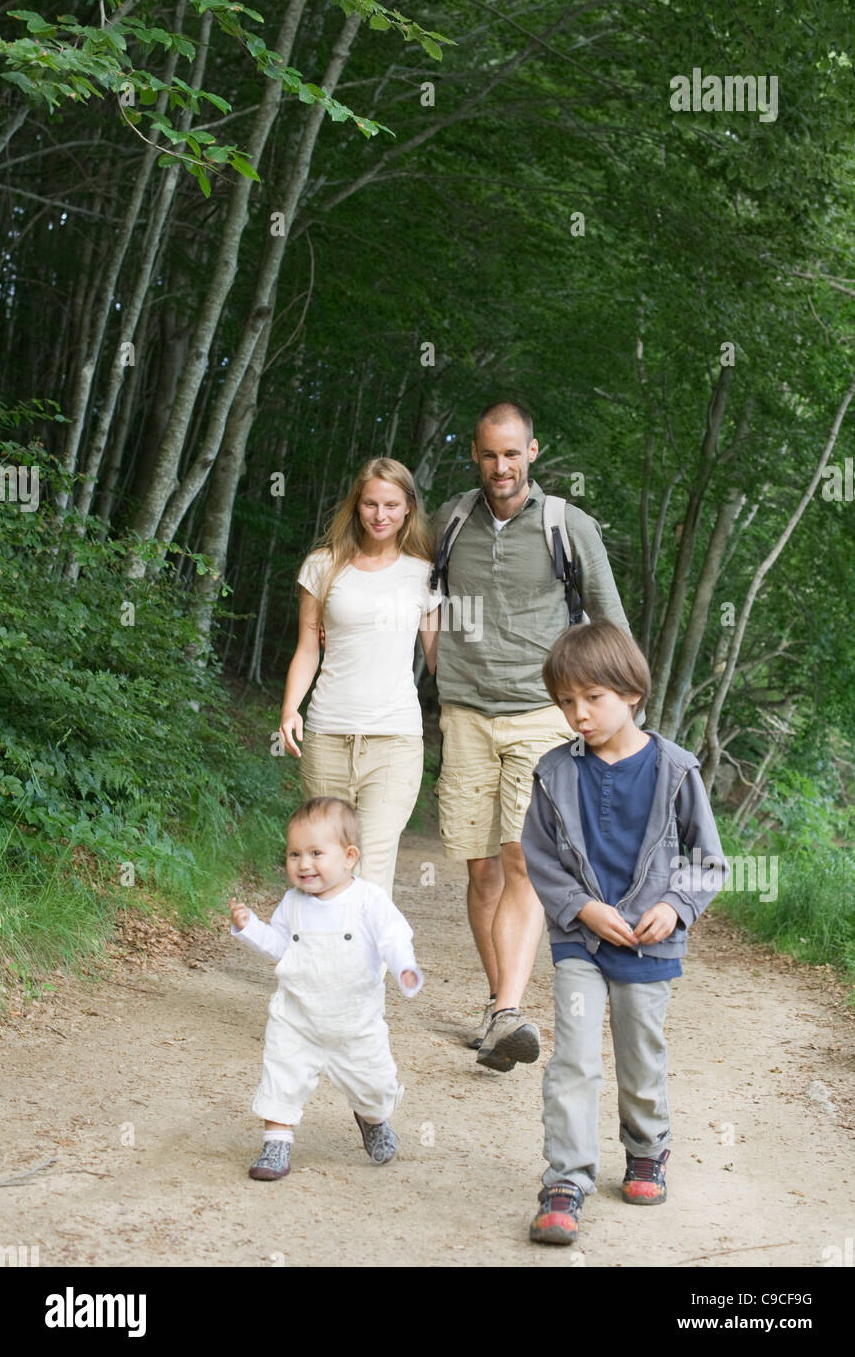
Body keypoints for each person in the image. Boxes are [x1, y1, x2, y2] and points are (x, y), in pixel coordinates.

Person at [432, 401, 628, 1071]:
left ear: (532, 452)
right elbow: (412, 590)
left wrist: (620, 720)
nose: (500, 467)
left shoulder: (565, 525)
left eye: (511, 453)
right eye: (488, 454)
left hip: (539, 714)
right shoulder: (449, 521)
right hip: (463, 712)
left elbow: (607, 620)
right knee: (480, 866)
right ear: (475, 457)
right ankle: (496, 1008)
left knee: (520, 859)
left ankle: (510, 1008)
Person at [521, 622, 727, 1243]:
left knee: (641, 1058)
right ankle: (566, 1179)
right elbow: (540, 857)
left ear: (632, 692)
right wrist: (581, 908)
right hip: (581, 943)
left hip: (649, 942)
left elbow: (708, 860)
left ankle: (646, 1148)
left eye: (593, 699)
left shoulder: (675, 769)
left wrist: (675, 905)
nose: (578, 714)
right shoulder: (554, 772)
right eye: (565, 702)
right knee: (574, 1059)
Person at [229, 796, 423, 1179]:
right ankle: (276, 1145)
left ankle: (373, 1120)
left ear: (349, 856)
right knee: (281, 1077)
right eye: (294, 854)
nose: (303, 864)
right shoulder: (292, 903)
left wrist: (404, 967)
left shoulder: (369, 900)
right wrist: (250, 926)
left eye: (316, 853)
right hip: (297, 1018)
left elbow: (393, 938)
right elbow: (281, 947)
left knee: (376, 1086)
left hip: (355, 1024)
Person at [278, 458, 440, 899]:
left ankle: (366, 969)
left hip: (395, 742)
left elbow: (440, 658)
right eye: (370, 503)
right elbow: (308, 646)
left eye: (391, 504)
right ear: (357, 504)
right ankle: (320, 961)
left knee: (370, 861)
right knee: (325, 860)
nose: (380, 515)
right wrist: (291, 707)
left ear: (408, 507)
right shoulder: (322, 565)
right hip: (328, 732)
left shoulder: (424, 574)